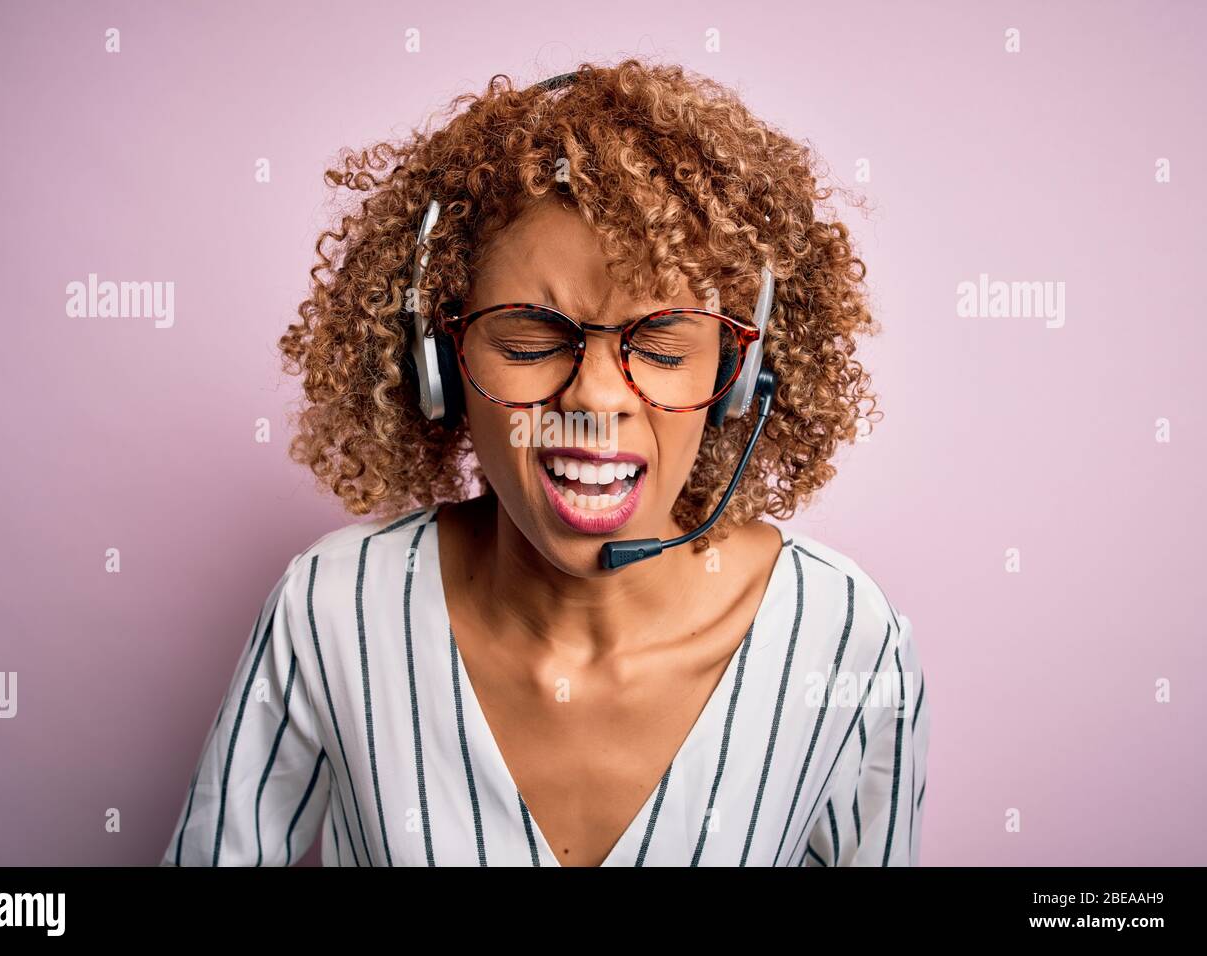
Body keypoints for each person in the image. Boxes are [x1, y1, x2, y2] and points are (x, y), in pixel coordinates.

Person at [161, 59, 930, 867]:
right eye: (529, 340)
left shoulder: (844, 640)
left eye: (663, 345)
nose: (597, 400)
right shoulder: (331, 611)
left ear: (738, 380)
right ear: (440, 362)